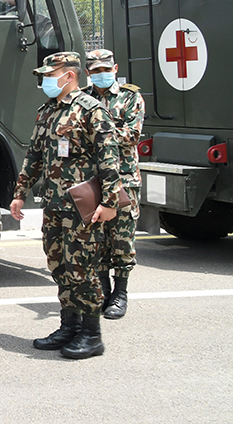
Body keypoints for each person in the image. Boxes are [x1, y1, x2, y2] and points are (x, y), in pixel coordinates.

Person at [9, 51, 121, 360]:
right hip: (55, 205)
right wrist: (20, 192)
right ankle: (69, 326)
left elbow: (109, 160)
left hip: (81, 208)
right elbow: (34, 155)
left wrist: (110, 202)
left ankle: (91, 333)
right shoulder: (48, 111)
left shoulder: (91, 110)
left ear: (69, 75)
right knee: (59, 266)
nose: (45, 80)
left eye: (49, 74)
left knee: (83, 267)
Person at [84, 48, 145, 320]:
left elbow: (131, 136)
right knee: (96, 240)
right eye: (95, 71)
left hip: (124, 178)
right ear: (88, 73)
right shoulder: (82, 99)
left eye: (105, 70)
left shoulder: (130, 97)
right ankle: (103, 292)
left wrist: (97, 131)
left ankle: (120, 294)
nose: (101, 74)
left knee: (121, 239)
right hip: (93, 181)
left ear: (116, 68)